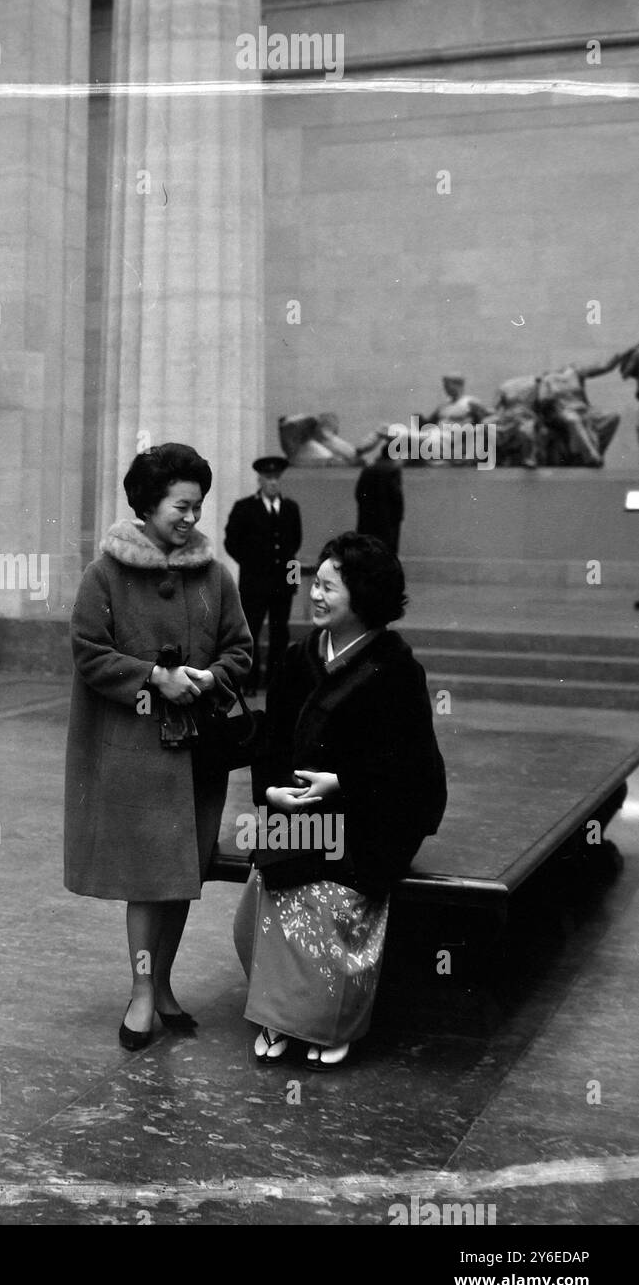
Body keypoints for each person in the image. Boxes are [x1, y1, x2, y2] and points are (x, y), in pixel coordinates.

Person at [234, 532, 447, 1070]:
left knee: (323, 894)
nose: (316, 596)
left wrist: (342, 785)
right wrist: (272, 789)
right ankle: (282, 1016)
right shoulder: (297, 658)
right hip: (298, 813)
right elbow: (272, 741)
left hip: (368, 819)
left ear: (364, 597)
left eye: (330, 587)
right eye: (316, 585)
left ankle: (321, 1021)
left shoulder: (396, 670)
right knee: (272, 876)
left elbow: (415, 773)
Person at [65, 442, 252, 1051]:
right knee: (149, 880)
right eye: (181, 506)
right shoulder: (107, 575)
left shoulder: (215, 576)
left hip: (197, 754)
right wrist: (153, 678)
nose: (191, 518)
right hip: (136, 752)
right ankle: (142, 994)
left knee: (181, 875)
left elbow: (240, 651)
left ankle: (164, 985)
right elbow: (90, 652)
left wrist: (209, 677)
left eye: (198, 507)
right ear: (148, 505)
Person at [224, 456, 303, 695]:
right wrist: (250, 564)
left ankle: (275, 681)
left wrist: (292, 581)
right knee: (252, 632)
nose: (273, 483)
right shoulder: (244, 508)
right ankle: (250, 681)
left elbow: (295, 542)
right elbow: (231, 542)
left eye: (276, 478)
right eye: (268, 478)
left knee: (281, 632)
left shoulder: (291, 508)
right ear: (259, 480)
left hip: (283, 583)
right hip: (254, 583)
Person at [354, 426, 404, 554]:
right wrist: (399, 515)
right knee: (387, 550)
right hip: (387, 517)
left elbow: (359, 492)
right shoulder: (393, 470)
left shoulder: (368, 469)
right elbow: (396, 495)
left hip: (367, 514)